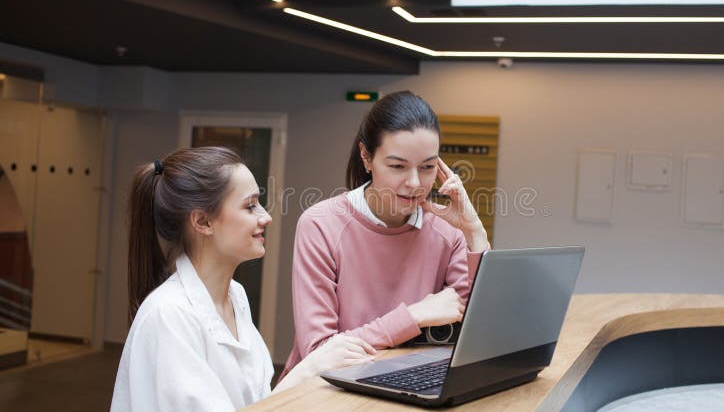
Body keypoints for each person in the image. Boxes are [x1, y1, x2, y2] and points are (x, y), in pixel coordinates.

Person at [110, 147, 375, 412]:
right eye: (250, 206)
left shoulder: (235, 296)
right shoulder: (169, 315)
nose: (266, 217)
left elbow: (255, 402)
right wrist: (311, 367)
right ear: (203, 221)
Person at [283, 91, 490, 376]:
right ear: (366, 157)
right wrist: (414, 316)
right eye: (397, 166)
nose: (415, 183)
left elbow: (479, 333)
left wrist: (474, 233)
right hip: (325, 392)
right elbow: (320, 353)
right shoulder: (320, 225)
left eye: (428, 167)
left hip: (405, 382)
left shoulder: (448, 233)